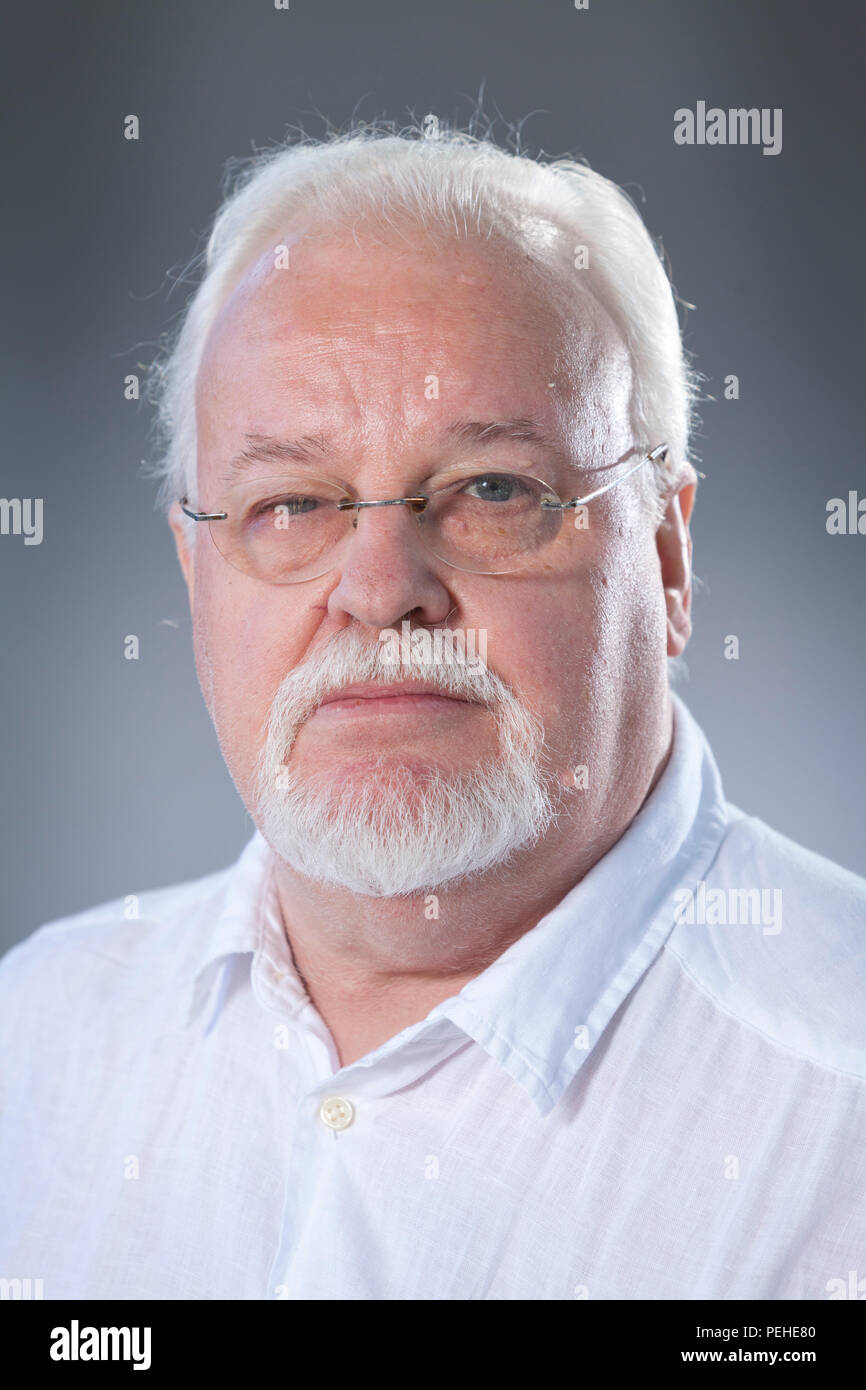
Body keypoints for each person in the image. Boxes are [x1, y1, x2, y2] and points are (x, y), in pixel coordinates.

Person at [1, 120, 864, 1301]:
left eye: (491, 490)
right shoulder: (34, 1042)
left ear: (664, 557)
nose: (377, 590)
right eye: (292, 504)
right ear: (191, 577)